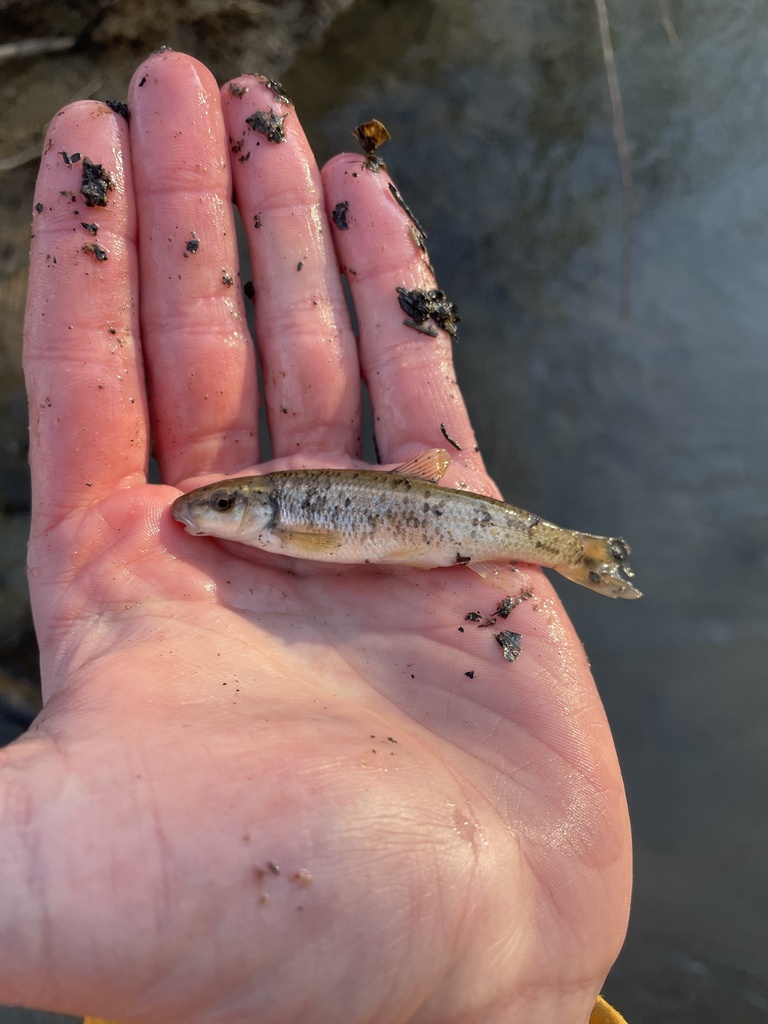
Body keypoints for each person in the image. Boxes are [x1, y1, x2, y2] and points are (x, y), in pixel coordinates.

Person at [4, 49, 631, 1023]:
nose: (202, 516)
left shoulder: (293, 515)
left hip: (443, 524)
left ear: (258, 514)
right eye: (211, 511)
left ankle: (568, 548)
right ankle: (567, 545)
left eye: (215, 510)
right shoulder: (279, 520)